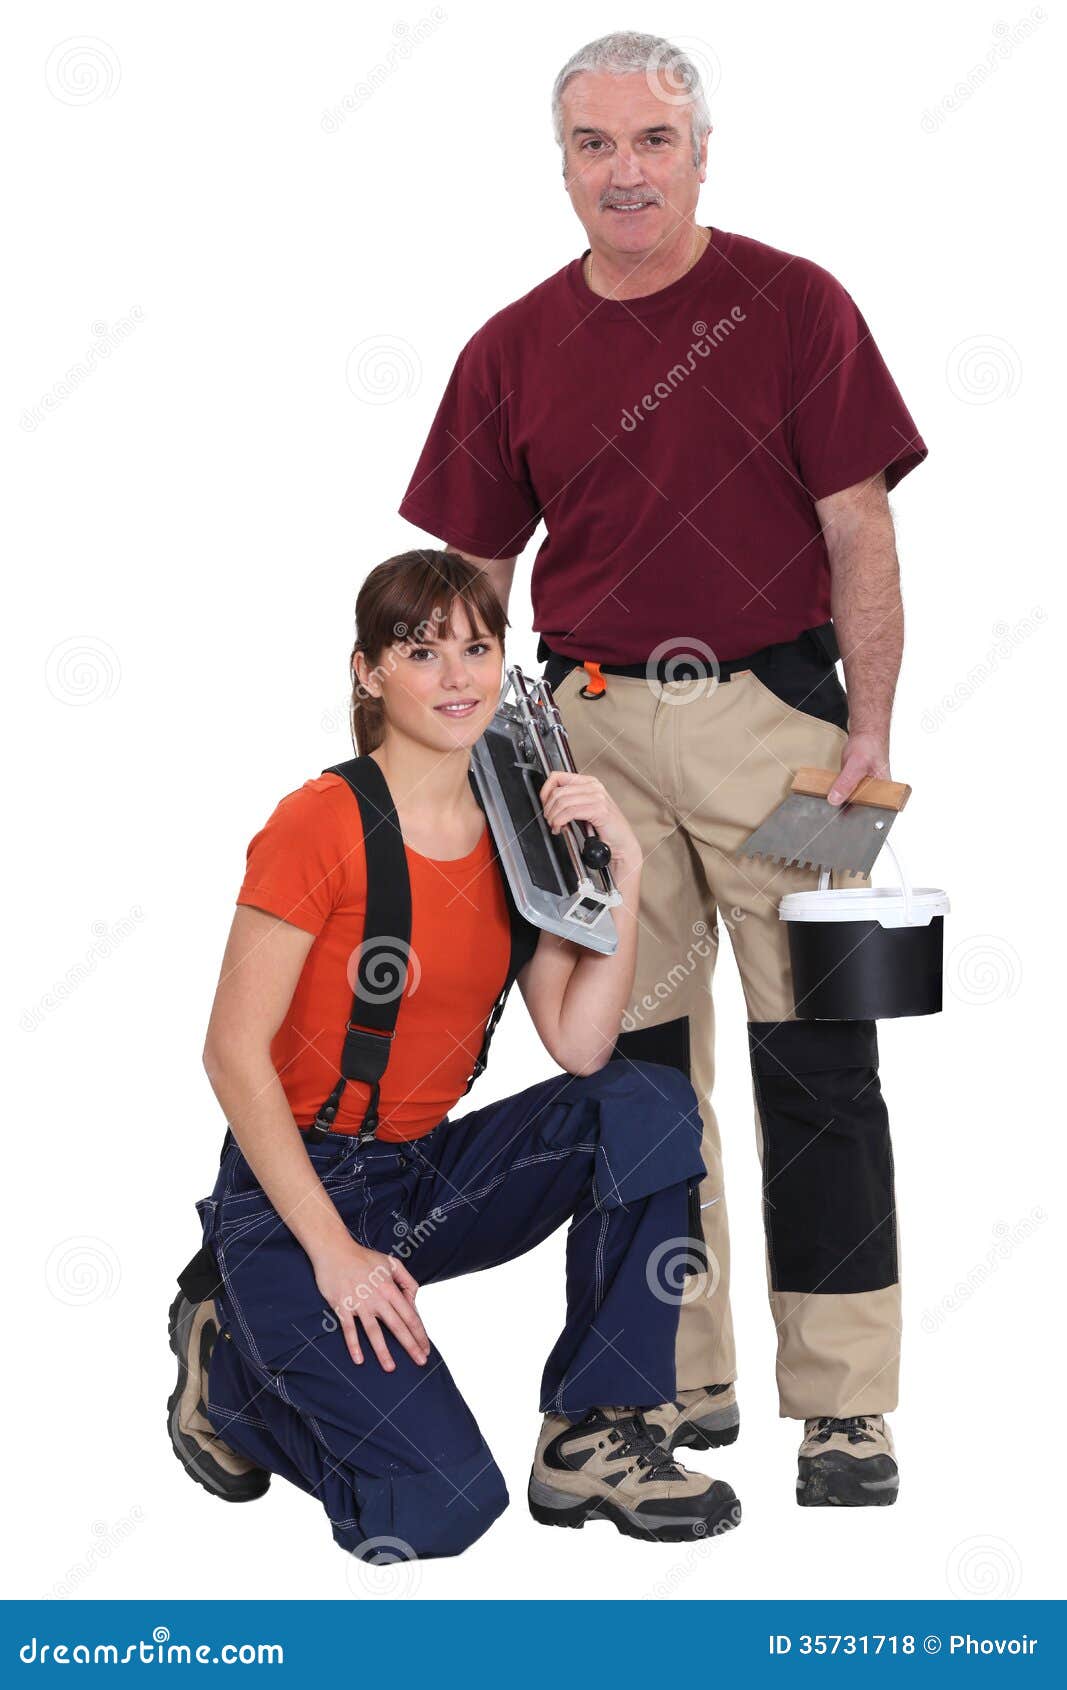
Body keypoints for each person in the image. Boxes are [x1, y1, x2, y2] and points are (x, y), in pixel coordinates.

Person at [396, 31, 929, 1507]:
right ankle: (663, 1371)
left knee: (820, 1061)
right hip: (585, 735)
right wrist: (457, 758)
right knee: (633, 1071)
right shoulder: (510, 345)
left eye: (649, 141)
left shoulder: (793, 303)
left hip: (783, 722)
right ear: (559, 160)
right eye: (591, 143)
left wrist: (868, 727)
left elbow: (857, 528)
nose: (622, 171)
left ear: (700, 151)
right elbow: (469, 571)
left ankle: (843, 1409)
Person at [168, 547, 741, 1560]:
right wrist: (334, 1253)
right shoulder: (318, 823)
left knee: (645, 1102)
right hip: (289, 1193)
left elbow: (580, 1043)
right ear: (368, 673)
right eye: (422, 651)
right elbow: (229, 1054)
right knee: (440, 1506)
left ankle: (592, 1432)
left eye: (477, 648)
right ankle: (230, 1377)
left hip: (415, 1174)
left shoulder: (519, 832)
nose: (458, 676)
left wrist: (628, 867)